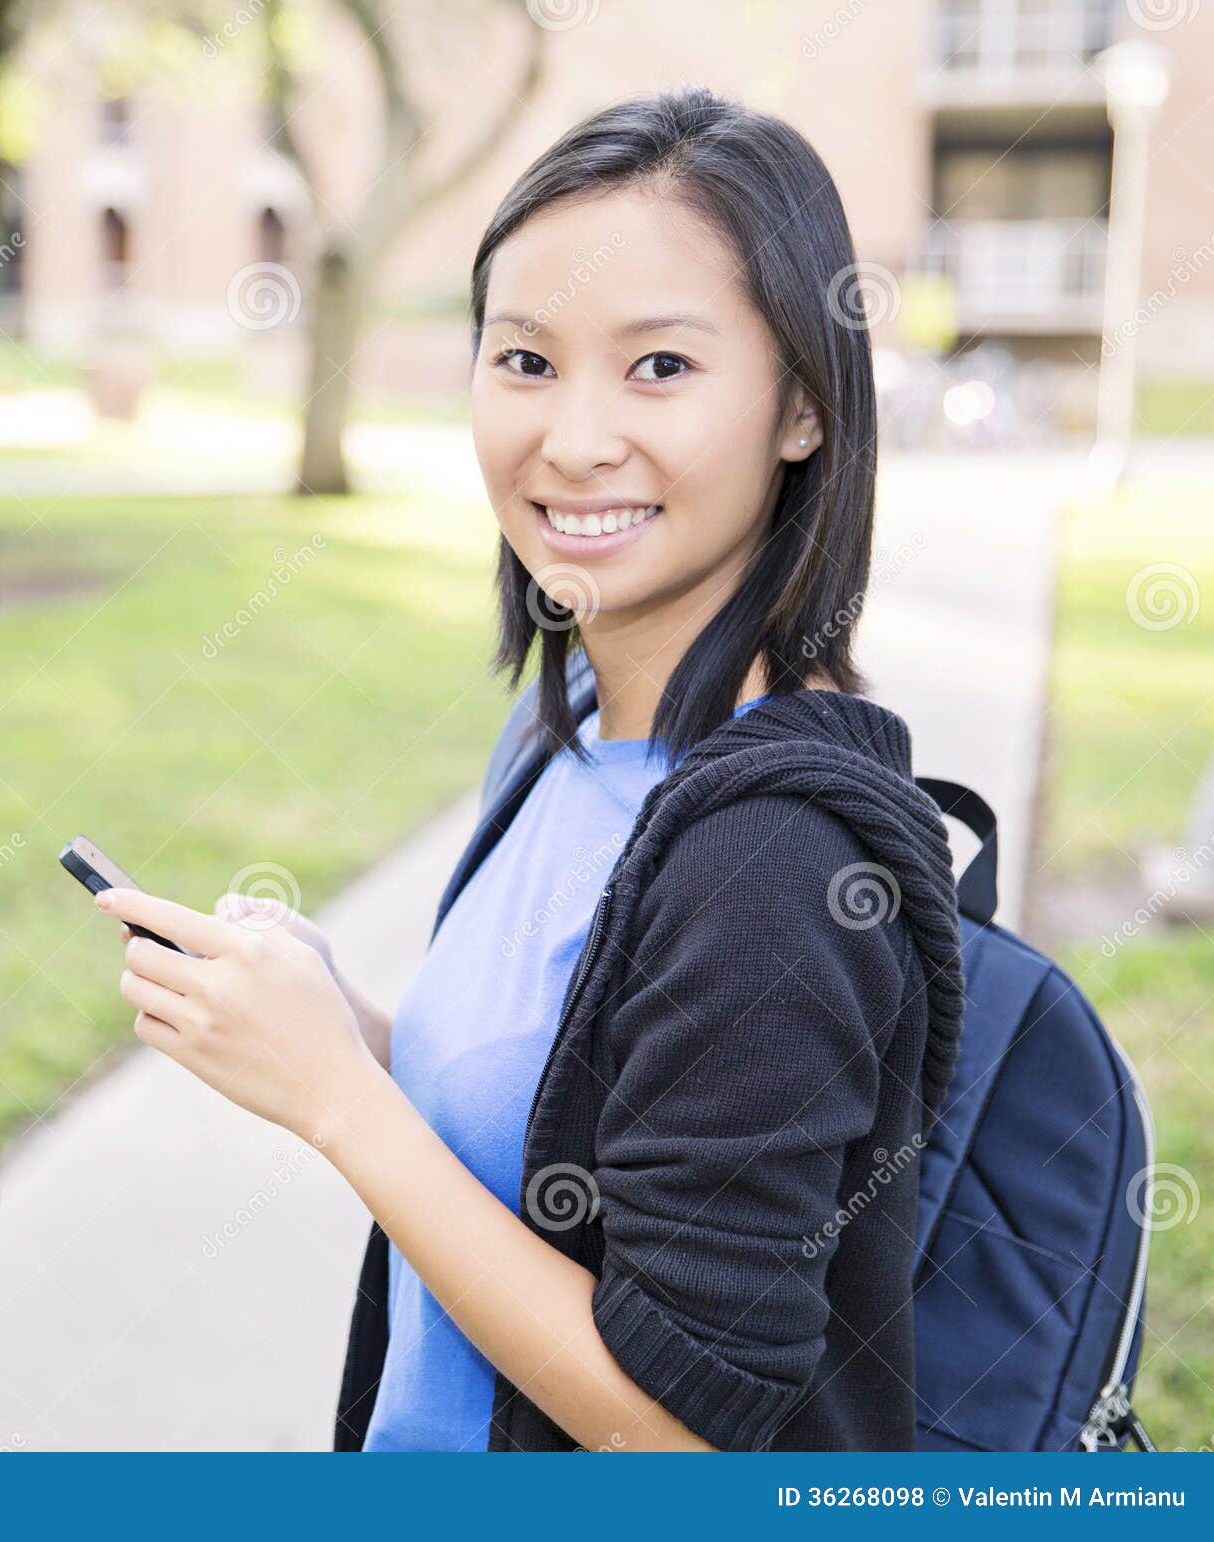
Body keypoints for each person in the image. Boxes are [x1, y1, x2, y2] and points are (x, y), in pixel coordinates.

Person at [101, 85, 965, 1452]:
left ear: (803, 404)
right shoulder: (565, 725)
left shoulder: (780, 860)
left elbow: (687, 1436)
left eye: (661, 367)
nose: (571, 438)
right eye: (525, 361)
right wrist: (339, 1027)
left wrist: (340, 1102)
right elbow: (573, 1121)